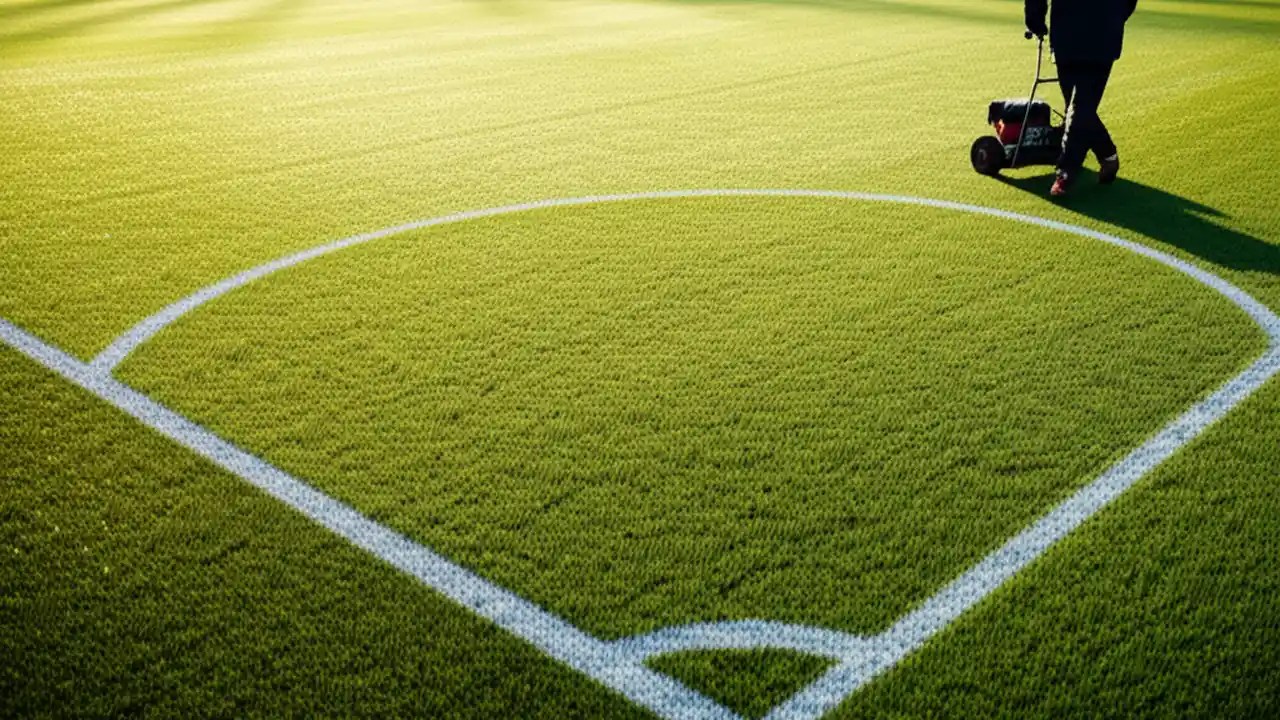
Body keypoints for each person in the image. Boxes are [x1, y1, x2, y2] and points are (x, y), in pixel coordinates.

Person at [1025, 0, 1139, 197]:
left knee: (1080, 107)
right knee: (1077, 106)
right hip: (1075, 31)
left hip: (1097, 29)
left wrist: (1035, 19)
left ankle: (1065, 172)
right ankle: (1108, 155)